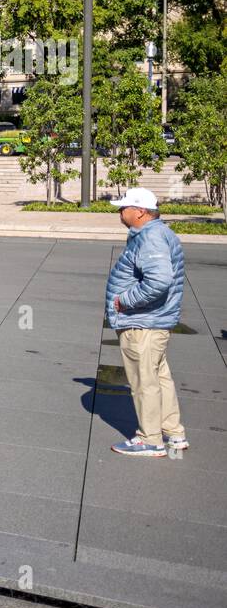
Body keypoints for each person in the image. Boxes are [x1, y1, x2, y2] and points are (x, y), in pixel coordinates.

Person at [105, 187, 189, 458]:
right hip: (153, 321)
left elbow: (159, 281)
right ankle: (173, 434)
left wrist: (125, 301)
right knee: (158, 376)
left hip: (142, 322)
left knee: (144, 381)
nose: (120, 212)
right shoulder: (156, 234)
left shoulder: (150, 238)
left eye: (124, 207)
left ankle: (151, 440)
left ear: (139, 211)